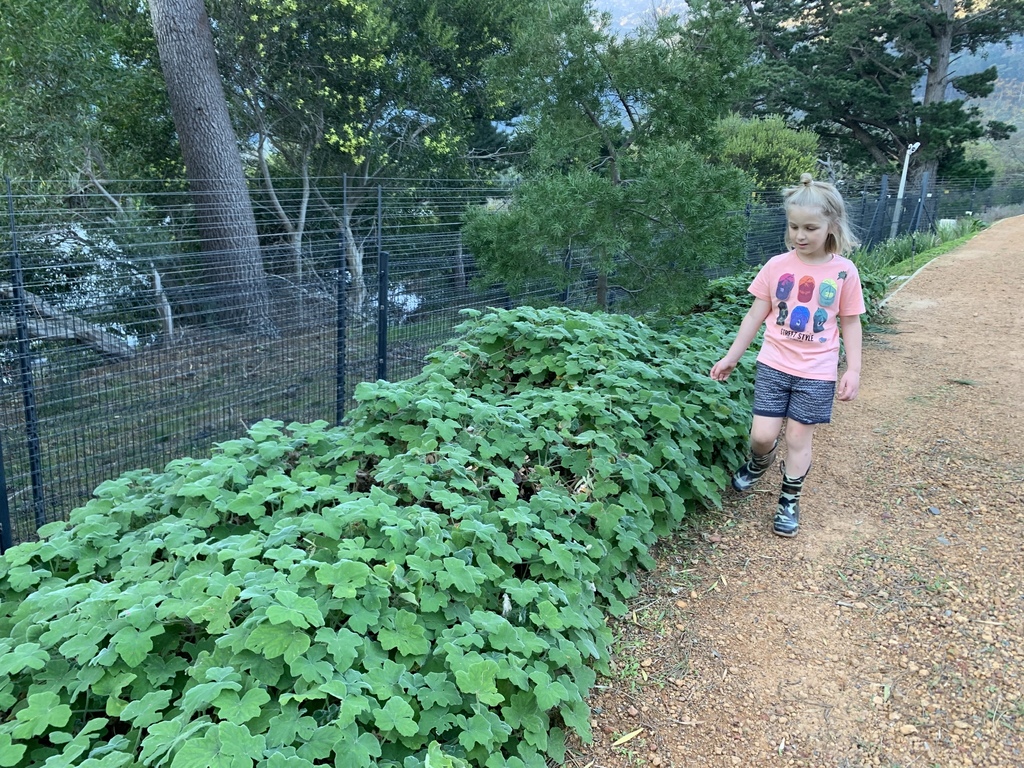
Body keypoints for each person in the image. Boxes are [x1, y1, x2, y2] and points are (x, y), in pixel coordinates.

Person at [709, 173, 865, 537]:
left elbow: (851, 323)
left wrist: (853, 368)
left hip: (817, 370)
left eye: (810, 227)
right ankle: (761, 461)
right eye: (794, 226)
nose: (800, 235)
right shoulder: (776, 266)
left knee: (798, 437)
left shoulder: (844, 272)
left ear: (831, 225)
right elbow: (755, 314)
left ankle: (789, 499)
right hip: (774, 365)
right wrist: (732, 356)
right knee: (762, 436)